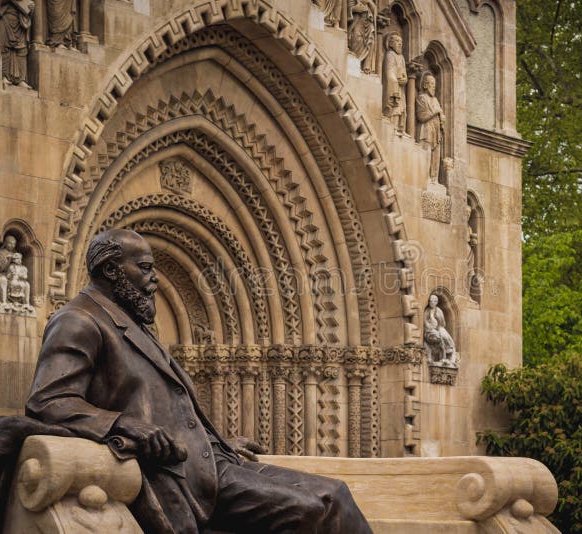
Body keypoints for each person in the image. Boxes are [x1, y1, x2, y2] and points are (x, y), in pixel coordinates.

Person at [26, 229, 372, 534]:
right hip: (176, 476)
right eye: (145, 267)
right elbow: (49, 400)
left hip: (209, 461)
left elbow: (170, 407)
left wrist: (217, 442)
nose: (155, 278)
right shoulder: (78, 319)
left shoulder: (130, 322)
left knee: (335, 492)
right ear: (112, 270)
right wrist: (125, 425)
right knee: (318, 509)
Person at [415, 73, 445, 183]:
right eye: (431, 84)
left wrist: (442, 118)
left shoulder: (436, 100)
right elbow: (421, 116)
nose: (434, 86)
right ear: (425, 85)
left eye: (434, 84)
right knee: (426, 152)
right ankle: (425, 177)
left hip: (436, 131)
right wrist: (436, 112)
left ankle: (434, 179)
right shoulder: (421, 98)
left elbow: (440, 113)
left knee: (436, 155)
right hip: (426, 129)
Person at [383, 32, 408, 132]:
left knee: (401, 108)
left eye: (401, 42)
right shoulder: (390, 55)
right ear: (390, 43)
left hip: (400, 88)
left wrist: (405, 79)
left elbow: (404, 73)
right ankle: (393, 127)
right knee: (395, 108)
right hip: (393, 87)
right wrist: (395, 86)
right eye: (397, 41)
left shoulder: (401, 57)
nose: (400, 44)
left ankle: (397, 128)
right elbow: (389, 71)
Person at [423, 293, 456, 366]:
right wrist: (430, 326)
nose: (432, 303)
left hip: (439, 327)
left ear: (437, 302)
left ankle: (449, 350)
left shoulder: (439, 310)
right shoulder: (427, 311)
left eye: (434, 301)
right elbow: (425, 321)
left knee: (444, 335)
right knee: (434, 335)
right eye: (431, 301)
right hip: (429, 329)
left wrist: (437, 319)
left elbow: (443, 323)